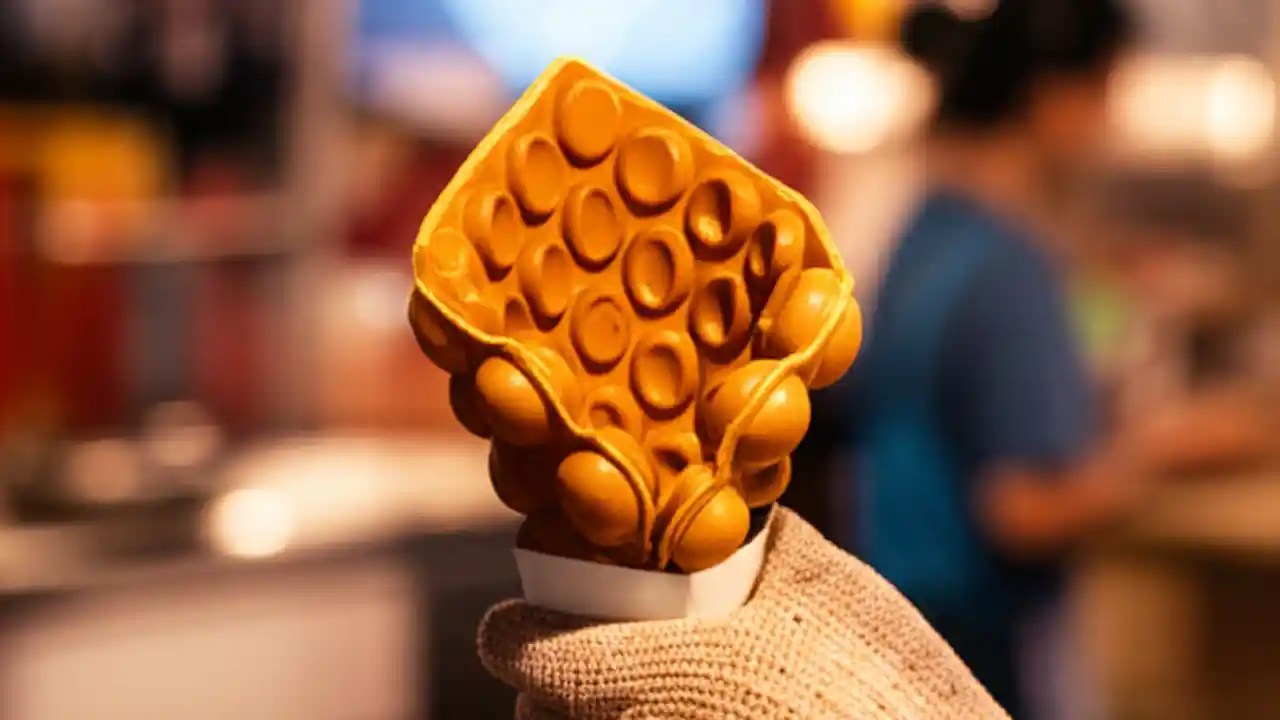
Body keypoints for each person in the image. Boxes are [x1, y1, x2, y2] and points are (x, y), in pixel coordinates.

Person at [807, 0, 1149, 717]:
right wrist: (1161, 453)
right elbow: (1021, 510)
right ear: (1055, 98)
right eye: (1108, 93)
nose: (1113, 127)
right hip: (981, 645)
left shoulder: (921, 234)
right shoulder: (1008, 266)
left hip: (897, 618)